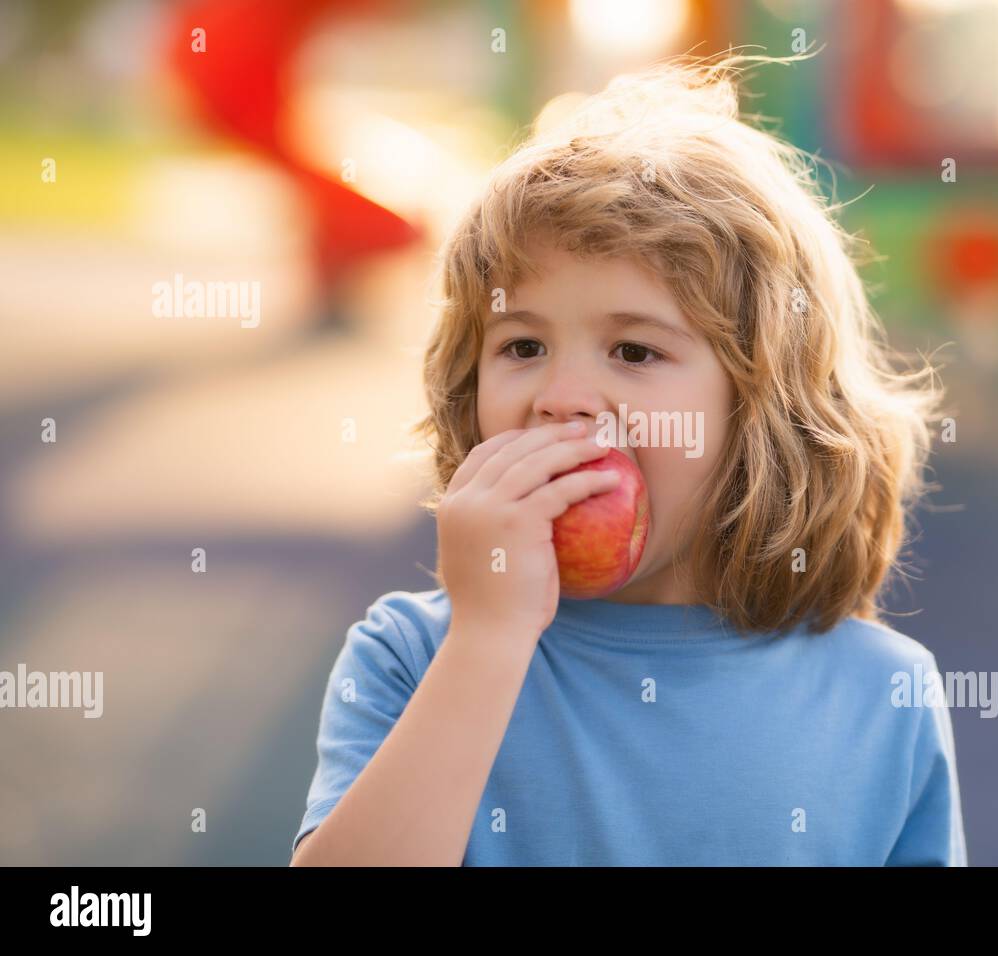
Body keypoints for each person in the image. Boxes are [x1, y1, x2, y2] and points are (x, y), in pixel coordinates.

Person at [291, 52, 964, 866]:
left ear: (761, 412)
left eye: (635, 351)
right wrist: (489, 639)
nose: (563, 396)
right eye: (524, 344)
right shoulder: (411, 655)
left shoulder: (879, 693)